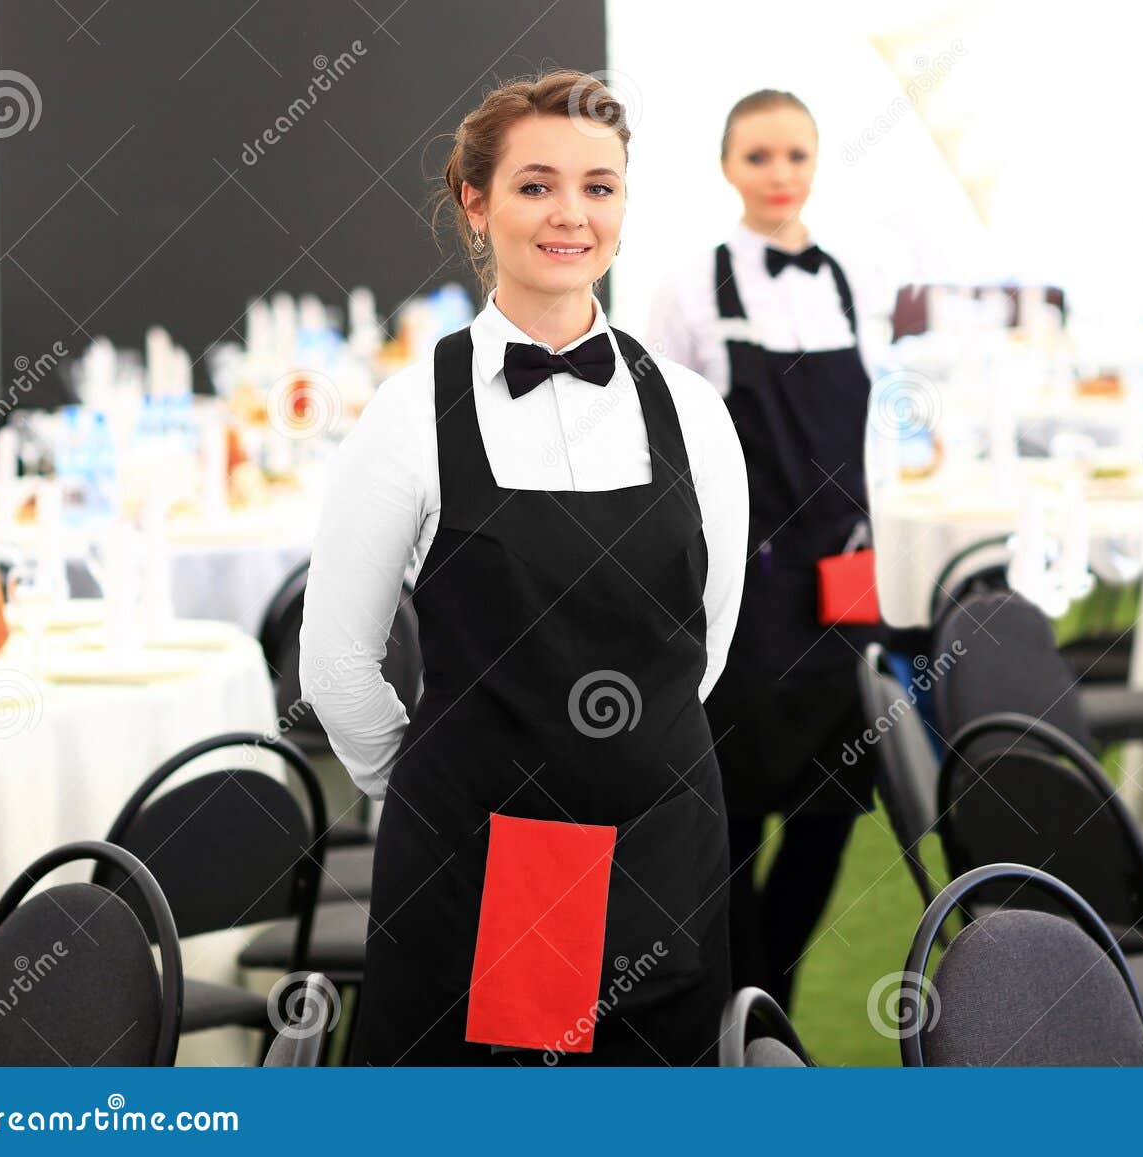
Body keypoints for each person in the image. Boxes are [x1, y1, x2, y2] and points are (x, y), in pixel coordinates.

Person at [301, 70, 748, 1065]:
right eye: (536, 184)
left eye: (599, 186)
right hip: (477, 859)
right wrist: (436, 796)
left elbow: (705, 643)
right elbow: (335, 665)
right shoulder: (407, 413)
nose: (570, 214)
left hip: (660, 843)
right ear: (476, 199)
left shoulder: (693, 410)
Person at [647, 89, 891, 1012]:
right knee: (737, 808)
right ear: (726, 167)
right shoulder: (688, 286)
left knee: (835, 805)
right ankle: (739, 1012)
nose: (779, 175)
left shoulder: (855, 279)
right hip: (742, 586)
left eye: (795, 155)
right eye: (758, 157)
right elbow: (662, 437)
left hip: (846, 578)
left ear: (817, 162)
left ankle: (770, 993)